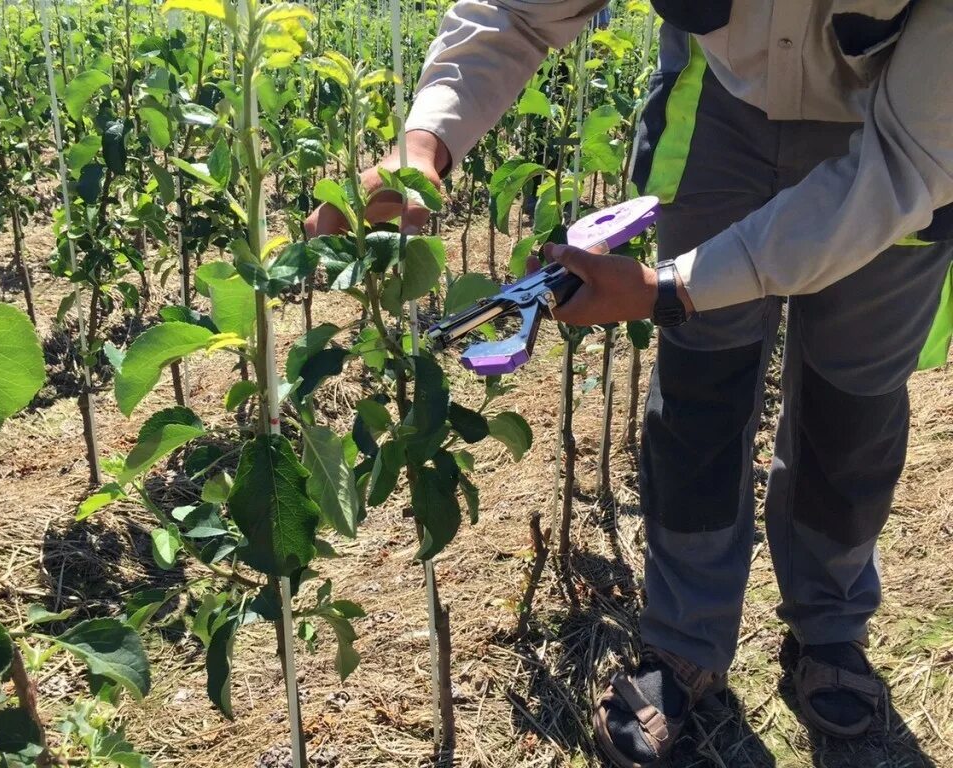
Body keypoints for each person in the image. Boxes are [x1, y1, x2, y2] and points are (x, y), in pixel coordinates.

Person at [306, 1, 953, 765]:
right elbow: (517, 11)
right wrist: (425, 145)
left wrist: (666, 287)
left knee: (853, 407)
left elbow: (912, 157)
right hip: (724, 117)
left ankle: (832, 629)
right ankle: (686, 639)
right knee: (699, 391)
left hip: (902, 133)